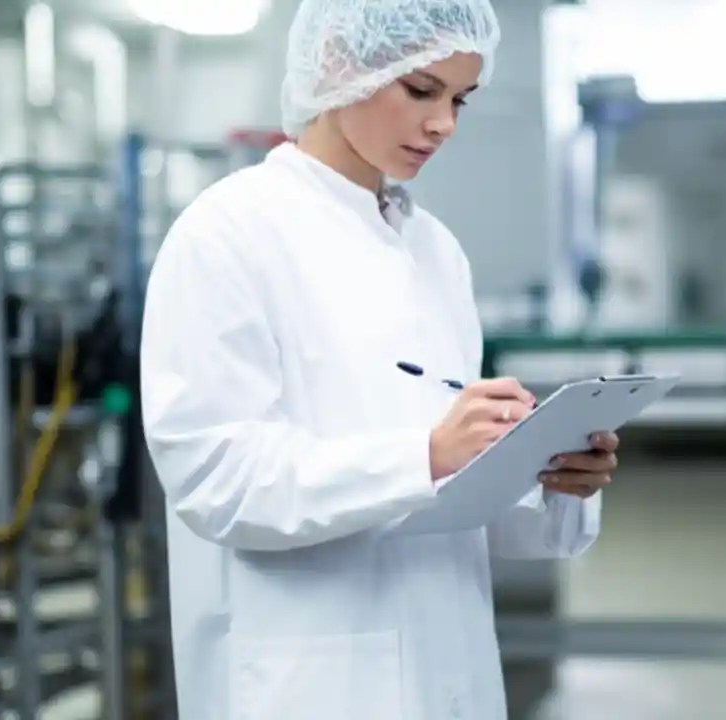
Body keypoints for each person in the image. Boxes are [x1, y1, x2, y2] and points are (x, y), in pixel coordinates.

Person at [139, 1, 617, 717]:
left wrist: (546, 476)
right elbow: (218, 481)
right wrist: (425, 455)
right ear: (338, 62)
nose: (444, 124)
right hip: (310, 679)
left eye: (460, 99)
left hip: (448, 664)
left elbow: (450, 502)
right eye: (421, 91)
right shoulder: (227, 234)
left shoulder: (435, 251)